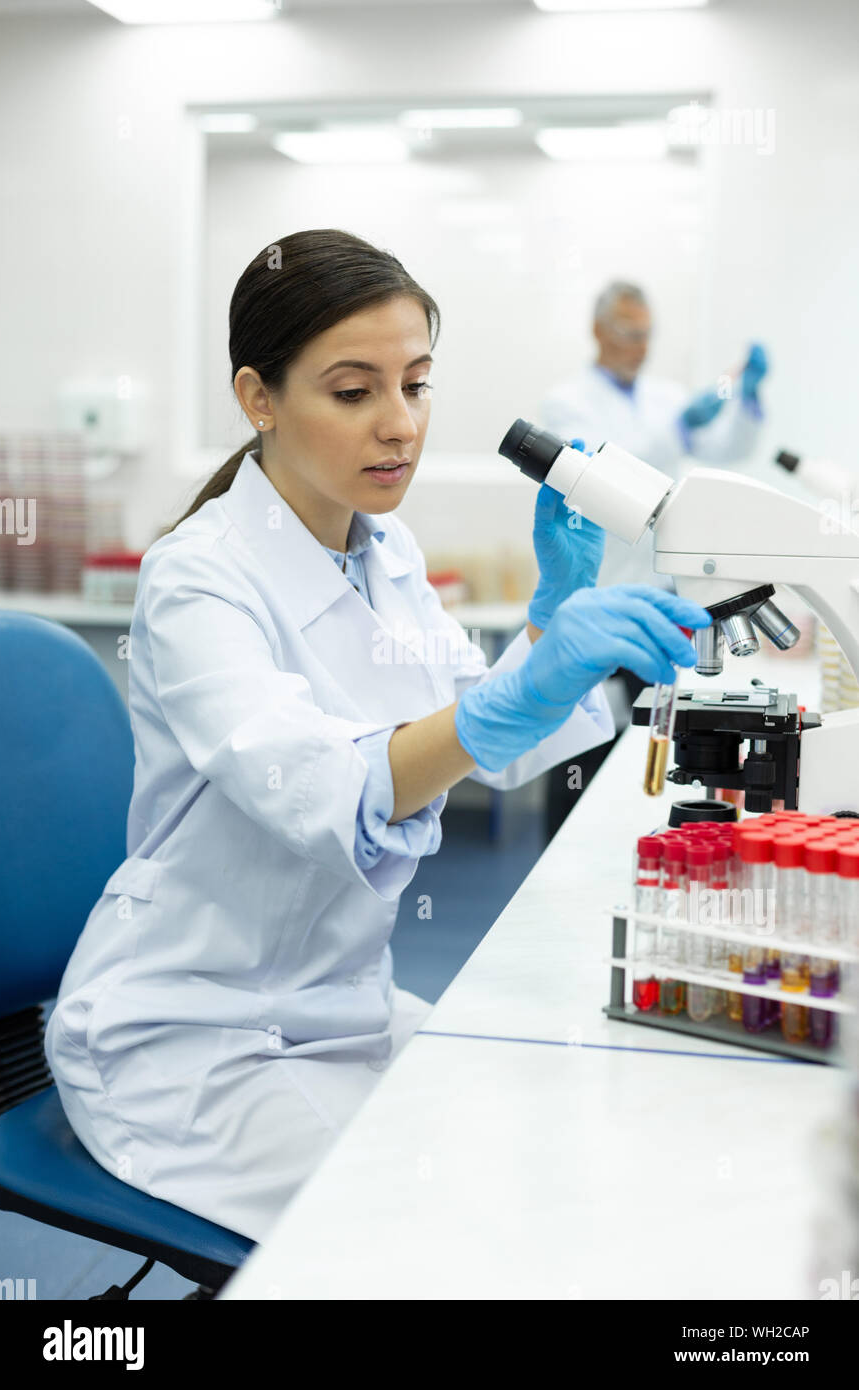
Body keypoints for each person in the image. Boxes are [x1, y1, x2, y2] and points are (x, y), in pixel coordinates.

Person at [44, 230, 712, 1245]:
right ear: (258, 398)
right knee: (436, 1230)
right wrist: (519, 687)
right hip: (192, 1038)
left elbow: (490, 734)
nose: (398, 424)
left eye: (416, 384)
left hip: (337, 1005)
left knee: (553, 1149)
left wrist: (549, 624)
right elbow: (326, 791)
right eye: (353, 392)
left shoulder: (383, 552)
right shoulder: (199, 577)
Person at [539, 280, 769, 839]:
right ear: (598, 330)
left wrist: (748, 401)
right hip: (597, 600)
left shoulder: (666, 396)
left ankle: (635, 841)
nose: (639, 345)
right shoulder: (565, 403)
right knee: (584, 744)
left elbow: (728, 451)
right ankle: (564, 857)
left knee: (650, 744)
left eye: (646, 334)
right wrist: (679, 428)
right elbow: (610, 478)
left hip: (661, 602)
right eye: (627, 332)